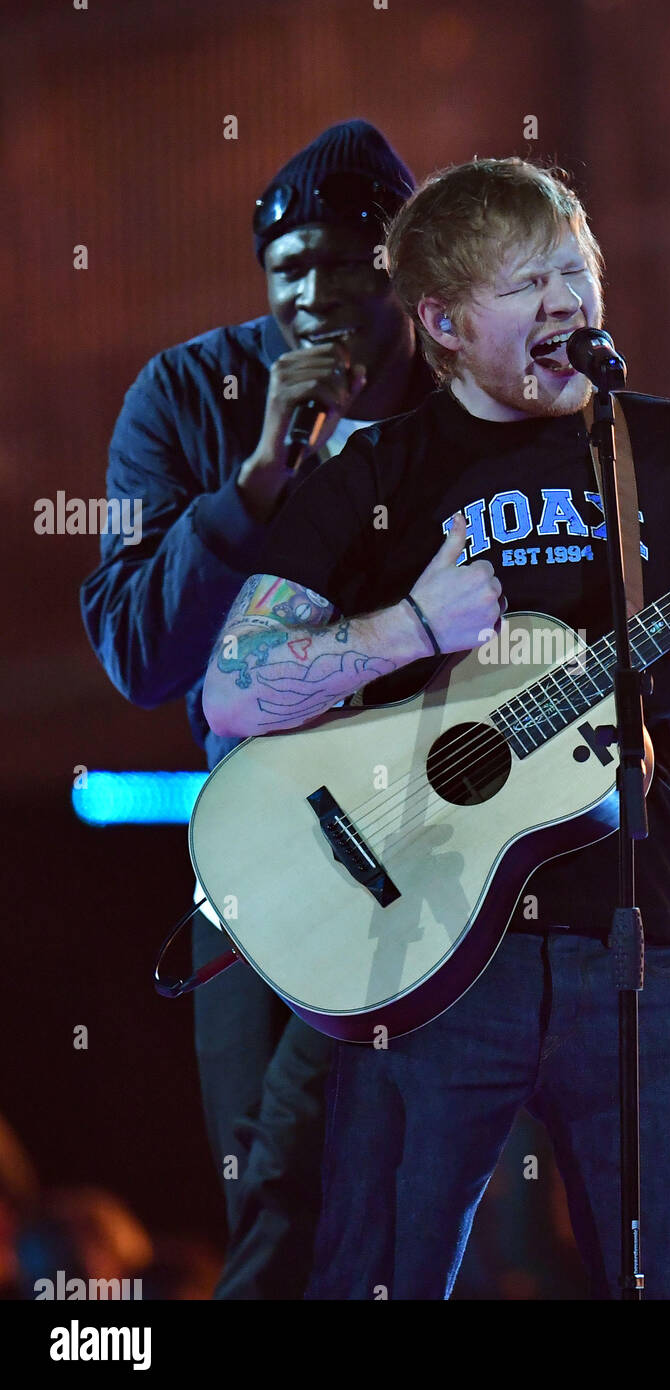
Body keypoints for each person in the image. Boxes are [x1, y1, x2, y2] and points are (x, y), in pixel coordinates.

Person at [202, 157, 670, 1299]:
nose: (565, 304)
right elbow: (231, 690)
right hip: (420, 953)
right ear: (440, 320)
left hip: (642, 946)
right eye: (527, 284)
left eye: (574, 272)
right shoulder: (379, 470)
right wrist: (403, 629)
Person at [80, 119, 434, 1299]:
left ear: (406, 265)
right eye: (290, 278)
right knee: (276, 1204)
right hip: (262, 858)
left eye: (346, 270)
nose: (316, 303)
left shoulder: (469, 391)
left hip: (450, 845)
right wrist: (253, 489)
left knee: (450, 1217)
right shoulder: (185, 395)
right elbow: (137, 653)